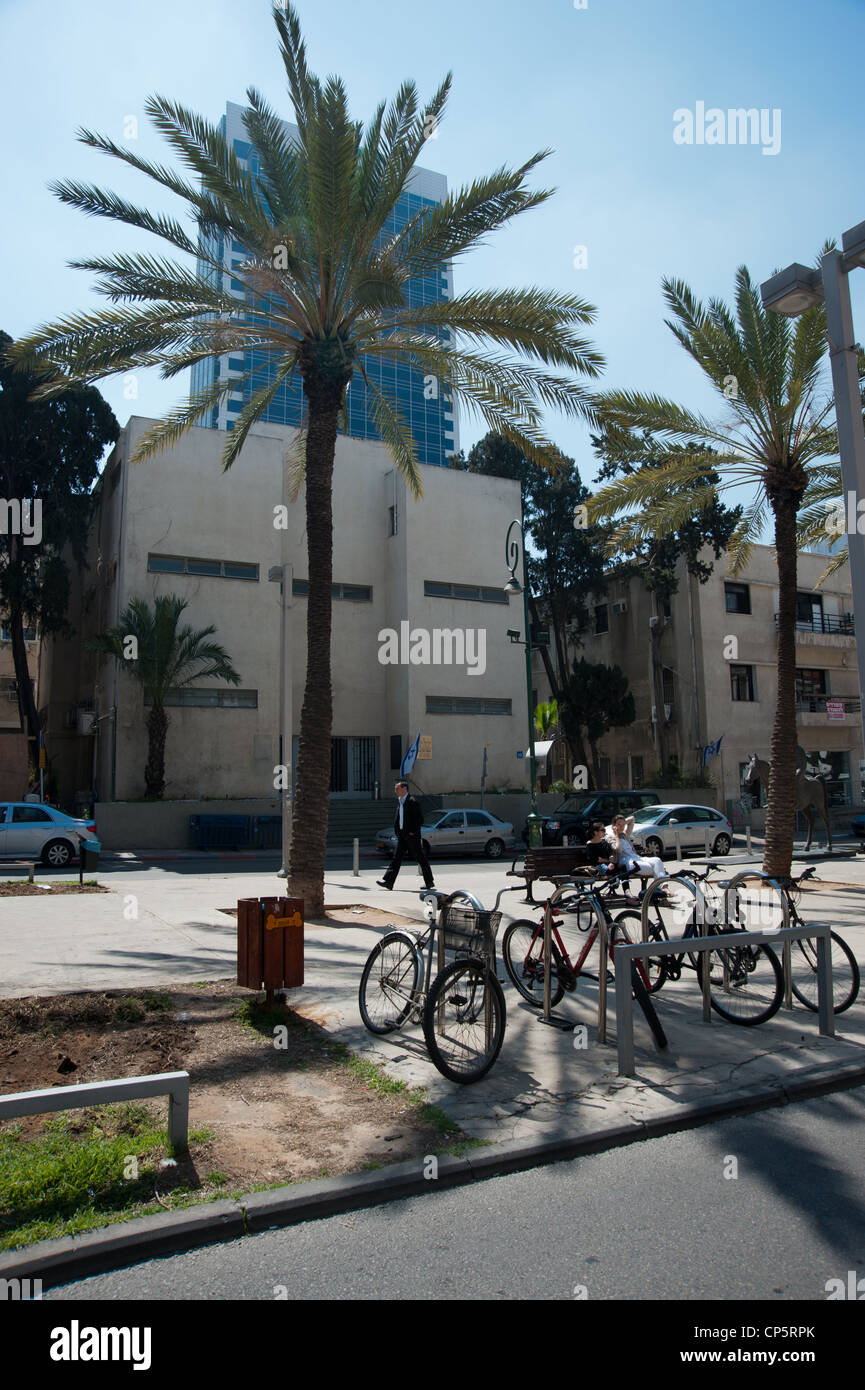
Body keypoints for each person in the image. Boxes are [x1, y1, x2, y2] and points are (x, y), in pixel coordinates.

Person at [377, 780, 435, 890]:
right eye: (395, 789)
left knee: (420, 858)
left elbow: (419, 820)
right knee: (396, 858)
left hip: (412, 836)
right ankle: (389, 882)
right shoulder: (400, 801)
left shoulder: (412, 801)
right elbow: (400, 818)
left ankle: (429, 882)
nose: (395, 791)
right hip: (402, 836)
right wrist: (398, 832)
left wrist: (412, 832)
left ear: (405, 789)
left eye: (397, 789)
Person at [606, 812, 668, 880]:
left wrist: (623, 822)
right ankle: (662, 887)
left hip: (637, 858)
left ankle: (663, 887)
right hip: (628, 862)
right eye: (619, 824)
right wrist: (616, 836)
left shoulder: (625, 835)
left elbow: (632, 819)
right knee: (657, 869)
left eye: (623, 825)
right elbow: (618, 849)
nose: (621, 827)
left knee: (657, 860)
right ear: (613, 826)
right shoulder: (610, 837)